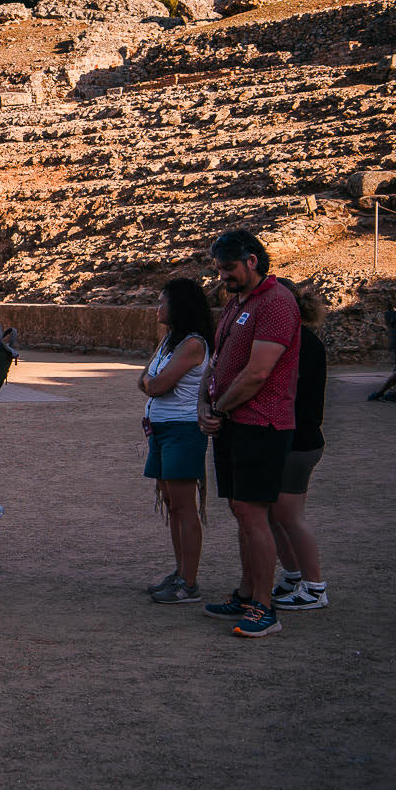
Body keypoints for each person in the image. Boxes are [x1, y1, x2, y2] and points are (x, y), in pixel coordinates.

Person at [198, 229, 300, 639]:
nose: (223, 276)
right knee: (243, 513)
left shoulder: (276, 303)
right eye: (220, 269)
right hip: (232, 423)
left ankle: (264, 606)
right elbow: (217, 360)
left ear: (253, 261)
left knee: (254, 515)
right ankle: (246, 593)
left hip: (262, 423)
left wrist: (218, 408)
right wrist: (205, 406)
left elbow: (258, 372)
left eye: (229, 268)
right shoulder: (238, 303)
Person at [141, 278, 214, 604]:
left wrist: (150, 382)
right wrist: (150, 381)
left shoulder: (192, 344)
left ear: (178, 306)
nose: (158, 308)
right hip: (162, 429)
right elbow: (145, 378)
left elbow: (155, 385)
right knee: (172, 505)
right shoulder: (171, 341)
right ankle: (180, 572)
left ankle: (189, 580)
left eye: (162, 302)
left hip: (183, 430)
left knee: (184, 507)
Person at [270, 280, 331, 610]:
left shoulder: (300, 342)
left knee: (289, 517)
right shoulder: (297, 339)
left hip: (298, 440)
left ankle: (315, 587)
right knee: (273, 515)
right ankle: (294, 577)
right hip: (290, 438)